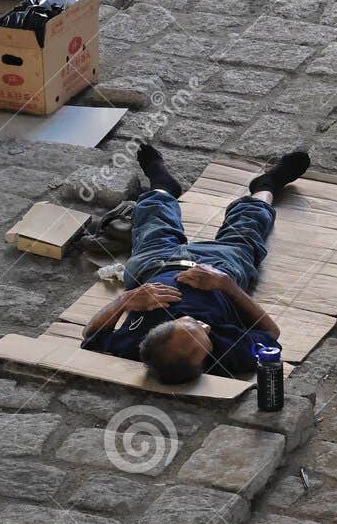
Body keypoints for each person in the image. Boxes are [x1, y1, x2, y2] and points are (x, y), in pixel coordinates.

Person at [80, 145, 309, 385]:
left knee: (151, 219)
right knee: (248, 230)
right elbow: (271, 334)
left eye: (191, 324)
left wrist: (124, 300)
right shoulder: (226, 353)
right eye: (205, 333)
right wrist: (226, 285)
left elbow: (91, 335)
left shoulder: (131, 346)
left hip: (153, 264)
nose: (204, 326)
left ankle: (163, 185)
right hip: (221, 265)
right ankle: (266, 186)